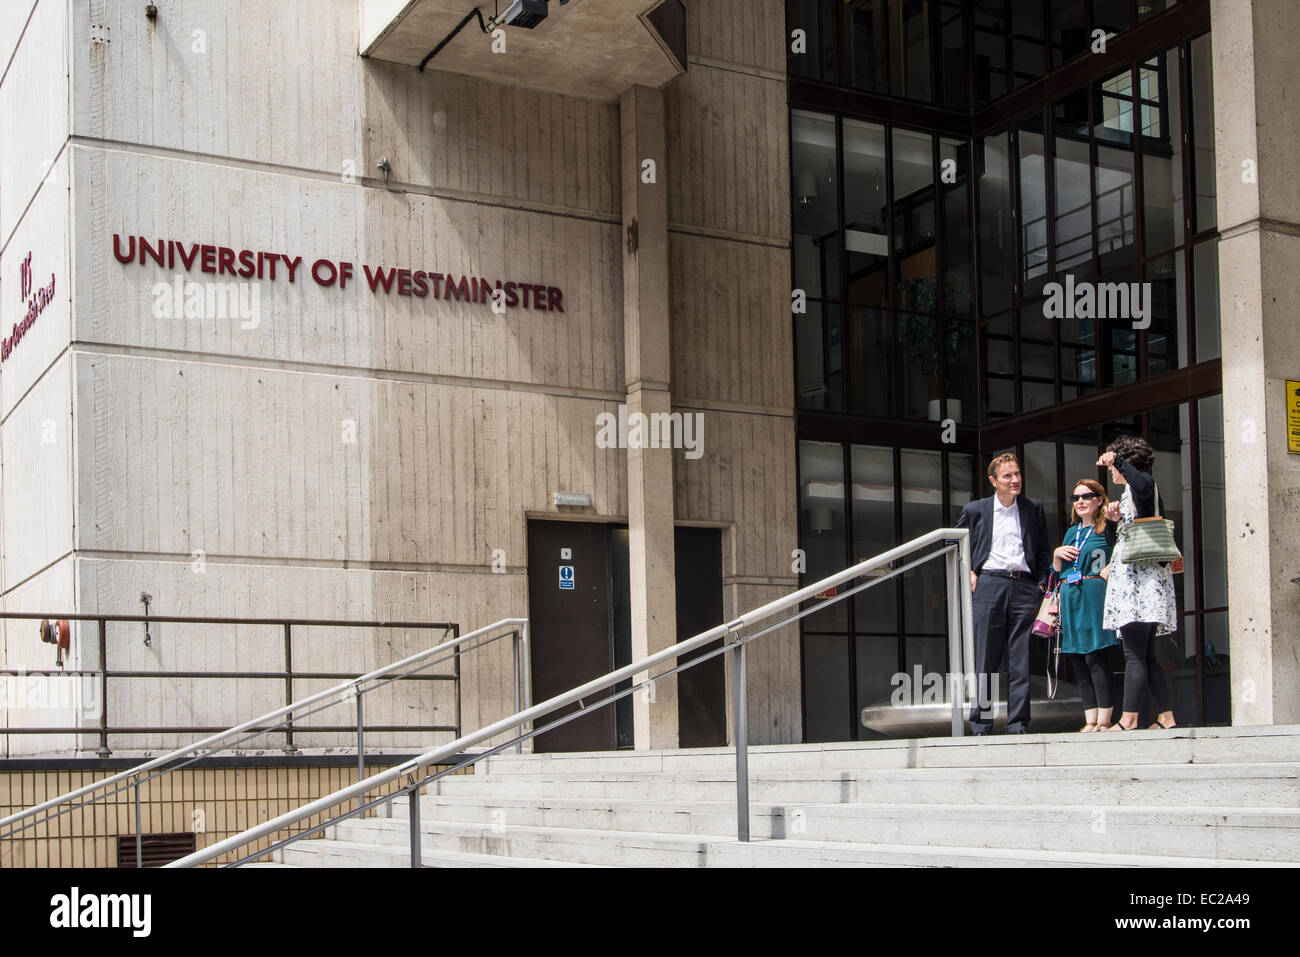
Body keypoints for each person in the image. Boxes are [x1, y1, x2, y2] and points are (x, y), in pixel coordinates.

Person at [955, 453, 1051, 735]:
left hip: (1024, 586)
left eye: (1017, 474)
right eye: (1008, 476)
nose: (1015, 480)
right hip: (989, 584)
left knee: (1020, 660)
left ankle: (1018, 725)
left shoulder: (1033, 508)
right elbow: (954, 542)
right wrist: (969, 572)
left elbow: (1043, 549)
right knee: (985, 657)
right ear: (993, 481)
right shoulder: (976, 510)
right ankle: (981, 725)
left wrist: (1041, 583)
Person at [1097, 436, 1178, 731]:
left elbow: (1143, 483)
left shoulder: (1143, 485)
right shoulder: (1131, 493)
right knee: (1145, 653)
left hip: (1140, 585)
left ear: (1125, 463)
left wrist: (1116, 458)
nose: (1112, 472)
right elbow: (1117, 542)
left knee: (1133, 652)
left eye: (1115, 466)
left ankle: (1129, 719)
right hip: (1136, 580)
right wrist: (1114, 521)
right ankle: (1166, 717)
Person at [1053, 479, 1119, 732]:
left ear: (1099, 499)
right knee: (1078, 660)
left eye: (1086, 496)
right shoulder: (1072, 532)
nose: (1079, 502)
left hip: (1094, 595)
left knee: (1095, 657)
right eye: (1075, 498)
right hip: (1070, 595)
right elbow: (1058, 573)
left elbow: (1123, 553)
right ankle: (1090, 720)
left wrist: (1108, 570)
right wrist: (1056, 556)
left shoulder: (1106, 528)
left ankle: (1105, 719)